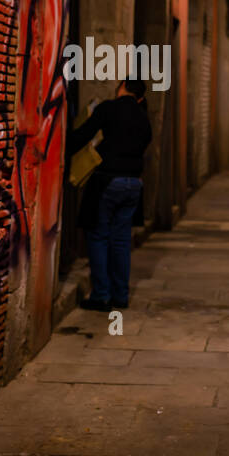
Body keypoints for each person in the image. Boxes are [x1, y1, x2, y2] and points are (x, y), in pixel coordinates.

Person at [66, 78, 153, 311]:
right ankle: (120, 296)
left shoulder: (108, 108)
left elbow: (82, 136)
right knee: (122, 241)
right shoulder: (144, 117)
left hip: (107, 182)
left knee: (98, 236)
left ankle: (101, 295)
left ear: (121, 88)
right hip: (133, 184)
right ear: (140, 97)